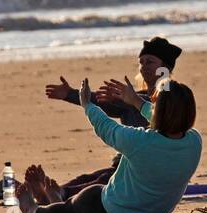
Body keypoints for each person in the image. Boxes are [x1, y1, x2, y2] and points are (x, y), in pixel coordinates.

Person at [17, 75, 202, 213]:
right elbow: (166, 119)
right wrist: (137, 102)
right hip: (156, 212)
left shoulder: (139, 141)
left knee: (74, 206)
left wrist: (88, 105)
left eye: (154, 102)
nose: (151, 105)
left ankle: (33, 212)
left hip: (114, 209)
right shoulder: (194, 141)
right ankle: (56, 198)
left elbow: (107, 128)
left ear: (159, 110)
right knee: (83, 198)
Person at [29, 36, 182, 203]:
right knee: (92, 177)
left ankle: (62, 194)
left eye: (150, 62)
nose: (144, 66)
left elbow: (159, 105)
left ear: (164, 68)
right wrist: (71, 94)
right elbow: (105, 105)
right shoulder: (132, 98)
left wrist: (129, 99)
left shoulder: (169, 95)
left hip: (149, 169)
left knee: (104, 180)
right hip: (127, 165)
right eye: (142, 62)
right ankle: (52, 193)